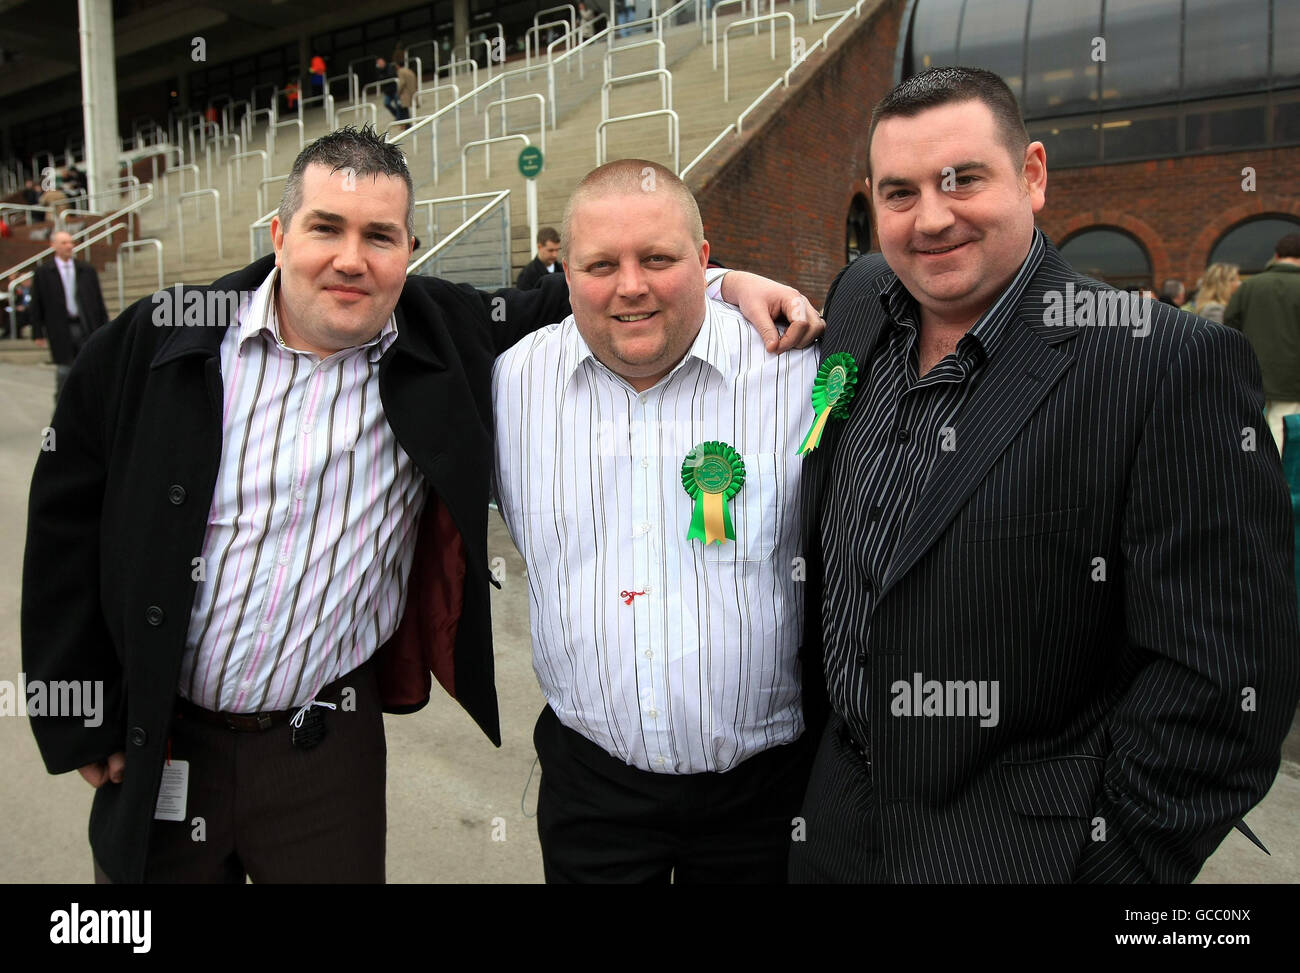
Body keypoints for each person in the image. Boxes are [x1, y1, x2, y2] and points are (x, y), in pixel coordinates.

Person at [21, 124, 823, 885]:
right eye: (325, 228)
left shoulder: (441, 338)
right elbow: (64, 517)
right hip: (164, 727)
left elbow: (613, 296)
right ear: (278, 234)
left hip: (323, 737)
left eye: (379, 237)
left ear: (409, 250)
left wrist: (723, 282)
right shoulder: (156, 339)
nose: (350, 260)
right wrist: (77, 707)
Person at [789, 67, 1300, 884]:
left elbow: (1225, 685)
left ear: (1031, 174)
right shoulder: (858, 297)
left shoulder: (1164, 364)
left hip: (1022, 851)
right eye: (899, 192)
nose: (931, 218)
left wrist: (1107, 869)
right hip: (836, 823)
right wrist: (723, 280)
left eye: (963, 180)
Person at [494, 160, 821, 883]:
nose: (631, 284)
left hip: (769, 793)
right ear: (567, 275)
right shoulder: (508, 381)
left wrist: (729, 286)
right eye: (602, 264)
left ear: (704, 259)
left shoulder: (799, 368)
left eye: (659, 259)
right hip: (591, 788)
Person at [1225, 234, 1300, 456]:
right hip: (1292, 378)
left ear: (1276, 256)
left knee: (1253, 431)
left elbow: (1229, 327)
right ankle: (1279, 484)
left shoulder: (1249, 287)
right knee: (1284, 431)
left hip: (1251, 372)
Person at [27, 230, 109, 403]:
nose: (69, 246)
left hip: (85, 323)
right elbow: (37, 304)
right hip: (60, 326)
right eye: (64, 243)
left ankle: (89, 402)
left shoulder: (85, 269)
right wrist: (37, 332)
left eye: (71, 242)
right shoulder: (44, 272)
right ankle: (63, 403)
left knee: (89, 363)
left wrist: (105, 326)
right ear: (53, 245)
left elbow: (98, 300)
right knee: (65, 368)